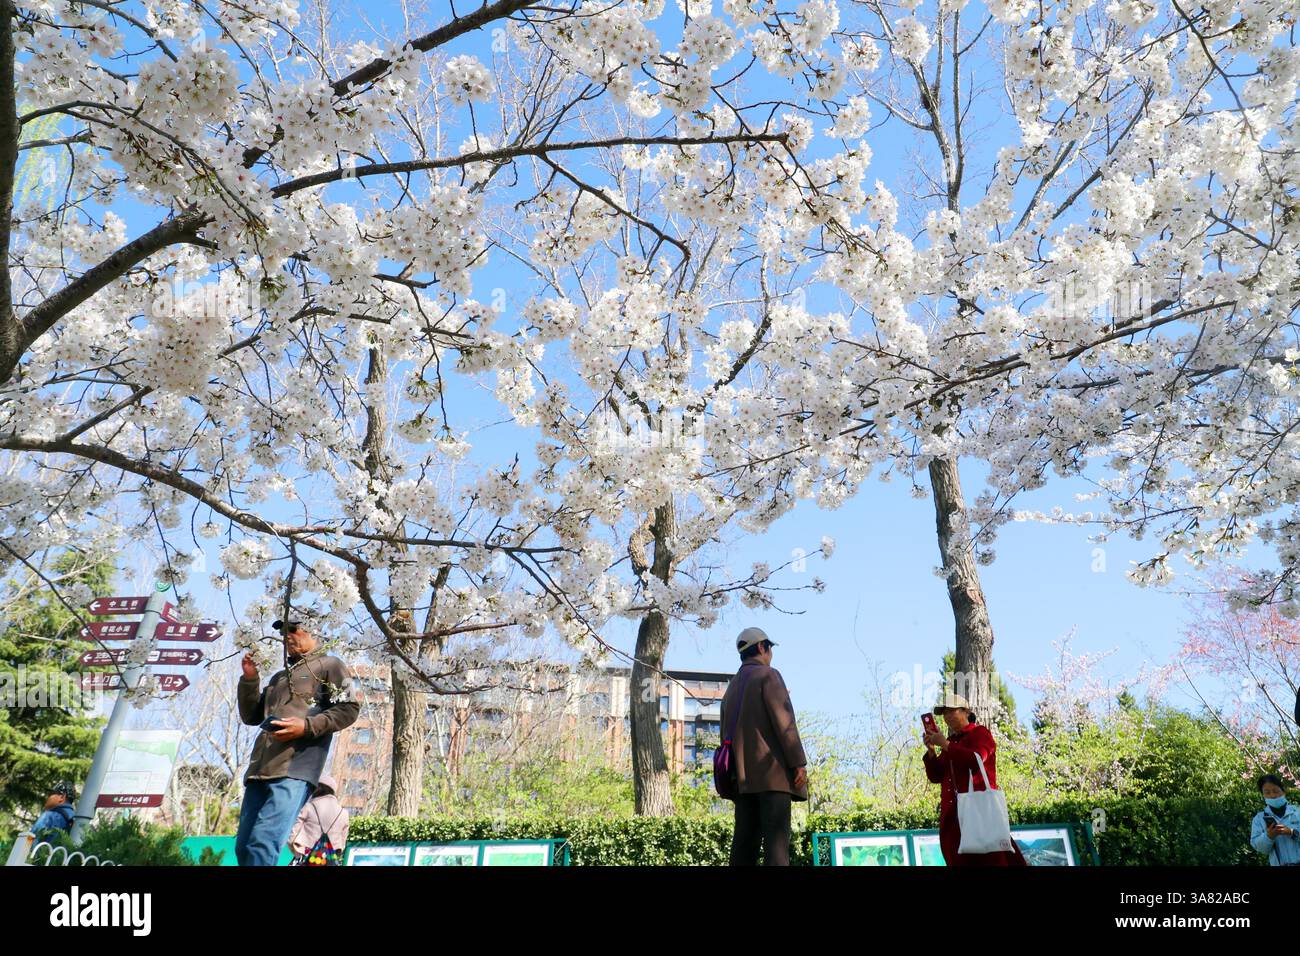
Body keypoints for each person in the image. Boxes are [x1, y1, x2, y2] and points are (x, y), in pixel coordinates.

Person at [235, 618, 359, 867]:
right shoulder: (280, 677)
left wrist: (306, 726)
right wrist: (250, 679)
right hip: (261, 769)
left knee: (263, 841)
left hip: (295, 768)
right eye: (283, 631)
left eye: (293, 629)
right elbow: (251, 716)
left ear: (315, 630)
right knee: (244, 847)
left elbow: (349, 708)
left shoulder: (331, 665)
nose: (287, 635)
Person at [720, 627, 809, 866]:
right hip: (772, 778)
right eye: (769, 648)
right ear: (761, 647)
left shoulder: (731, 689)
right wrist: (798, 763)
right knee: (776, 848)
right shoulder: (769, 675)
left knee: (743, 847)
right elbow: (784, 723)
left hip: (742, 781)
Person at [922, 692, 1027, 867]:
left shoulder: (980, 733)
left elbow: (976, 758)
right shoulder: (950, 741)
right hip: (953, 816)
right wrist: (932, 750)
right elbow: (936, 776)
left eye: (951, 711)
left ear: (966, 711)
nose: (947, 716)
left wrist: (946, 745)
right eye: (944, 713)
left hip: (979, 810)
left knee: (991, 859)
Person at [288, 772, 350, 865]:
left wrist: (295, 850)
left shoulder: (309, 806)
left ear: (317, 788)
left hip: (305, 853)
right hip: (329, 857)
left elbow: (294, 832)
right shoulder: (344, 813)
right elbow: (342, 842)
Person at [1250, 774, 1300, 866]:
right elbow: (1260, 848)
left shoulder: (1297, 812)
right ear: (1263, 795)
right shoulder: (1259, 819)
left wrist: (1292, 832)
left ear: (1283, 791)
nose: (1272, 795)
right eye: (1267, 792)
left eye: (1276, 791)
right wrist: (1269, 836)